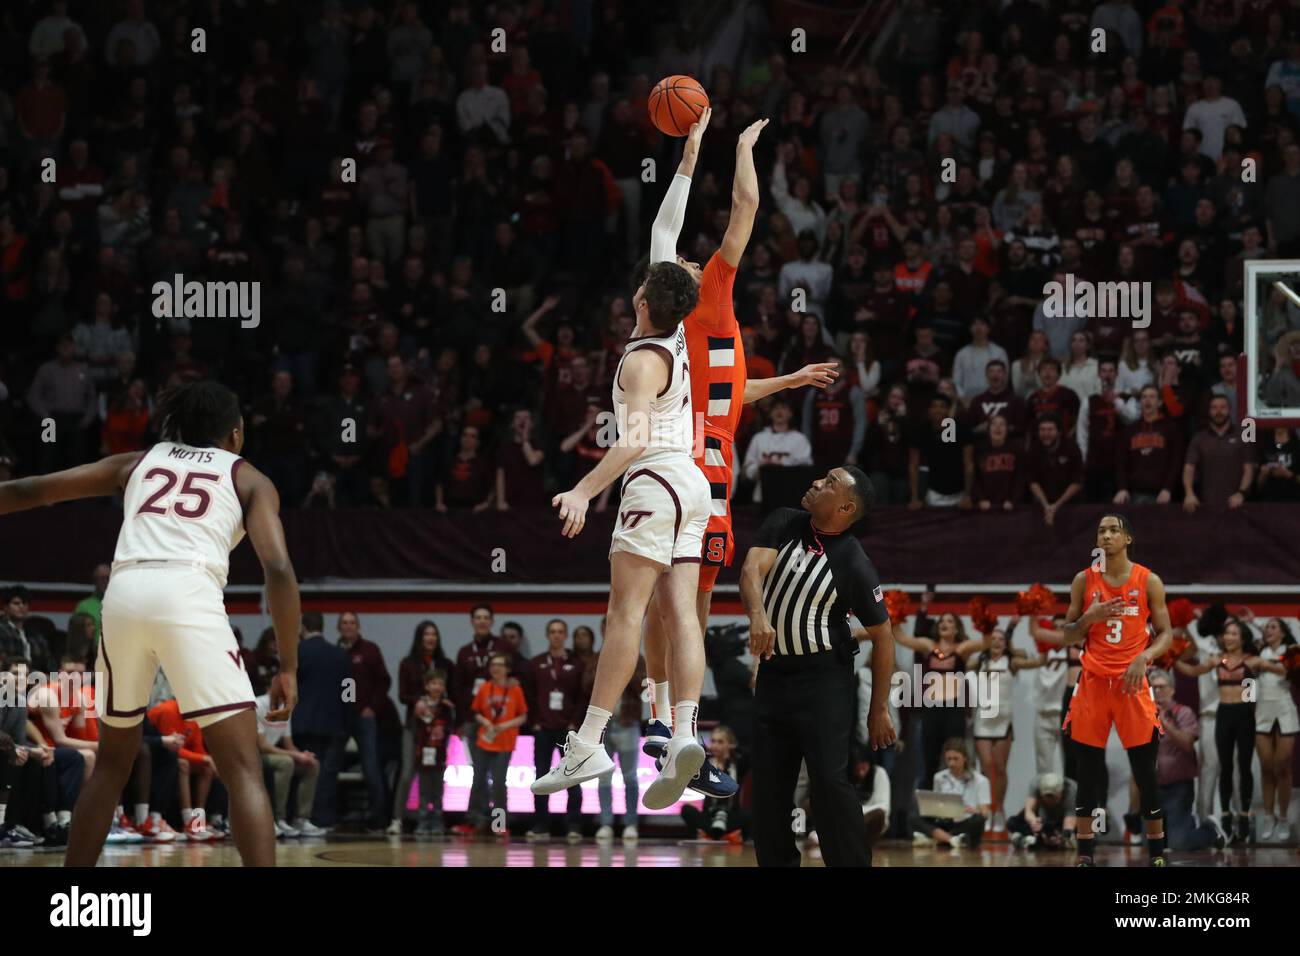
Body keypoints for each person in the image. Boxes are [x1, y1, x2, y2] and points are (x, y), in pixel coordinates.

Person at [0, 381, 302, 867]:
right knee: (243, 767)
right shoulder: (248, 477)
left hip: (123, 595)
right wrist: (288, 664)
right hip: (188, 590)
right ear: (236, 435)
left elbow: (36, 489)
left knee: (112, 763)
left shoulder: (138, 461)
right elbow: (281, 570)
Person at [531, 230, 711, 807]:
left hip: (654, 481)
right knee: (682, 613)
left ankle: (588, 742)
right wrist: (688, 156)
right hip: (693, 483)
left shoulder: (639, 361)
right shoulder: (679, 334)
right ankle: (684, 731)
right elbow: (666, 243)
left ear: (641, 302)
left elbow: (631, 441)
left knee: (625, 614)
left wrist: (584, 490)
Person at [738, 465, 897, 867]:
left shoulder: (855, 563)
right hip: (774, 677)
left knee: (828, 782)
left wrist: (879, 709)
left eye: (828, 484)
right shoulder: (784, 520)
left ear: (845, 507)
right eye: (822, 477)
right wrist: (757, 615)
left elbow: (883, 636)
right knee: (769, 789)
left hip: (824, 681)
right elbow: (751, 569)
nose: (815, 483)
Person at [1058, 513, 1175, 866]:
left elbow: (1167, 634)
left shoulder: (1148, 580)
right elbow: (1067, 634)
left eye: (1113, 530)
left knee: (1145, 773)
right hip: (1093, 684)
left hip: (1132, 684)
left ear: (1127, 539)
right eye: (1101, 531)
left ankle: (1157, 853)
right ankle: (1084, 853)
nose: (1106, 535)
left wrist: (1146, 655)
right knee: (1087, 774)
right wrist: (1088, 619)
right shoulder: (1083, 580)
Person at [1176, 617, 1263, 844]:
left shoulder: (1253, 661)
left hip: (1244, 716)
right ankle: (1222, 818)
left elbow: (1258, 687)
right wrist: (1172, 660)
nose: (1229, 637)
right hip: (1221, 715)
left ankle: (1244, 817)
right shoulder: (1215, 658)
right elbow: (1194, 670)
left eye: (1234, 633)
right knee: (1221, 768)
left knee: (1243, 767)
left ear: (1242, 637)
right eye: (1227, 633)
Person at [892, 609, 990, 782]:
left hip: (954, 710)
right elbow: (900, 637)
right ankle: (929, 804)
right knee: (930, 760)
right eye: (942, 621)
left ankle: (957, 799)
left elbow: (986, 642)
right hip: (931, 709)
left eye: (950, 621)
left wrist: (985, 622)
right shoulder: (928, 645)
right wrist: (895, 614)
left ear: (957, 629)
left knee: (955, 756)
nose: (945, 623)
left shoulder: (962, 648)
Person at [1149, 669, 1226, 851]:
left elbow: (1187, 744)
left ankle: (1210, 830)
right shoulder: (1144, 715)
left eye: (1162, 687)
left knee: (1179, 844)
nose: (1158, 692)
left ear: (1172, 690)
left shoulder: (1184, 713)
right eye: (1154, 688)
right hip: (1153, 787)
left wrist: (1163, 722)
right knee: (1152, 844)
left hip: (1178, 786)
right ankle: (1173, 829)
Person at [970, 623, 1037, 829]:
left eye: (1001, 639)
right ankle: (986, 809)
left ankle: (999, 808)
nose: (997, 642)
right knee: (985, 769)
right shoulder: (978, 662)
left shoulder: (1011, 662)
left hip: (1003, 722)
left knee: (1000, 768)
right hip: (983, 720)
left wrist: (1011, 642)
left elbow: (1029, 659)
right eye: (994, 639)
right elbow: (963, 662)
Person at [525, 619, 584, 843]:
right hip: (543, 729)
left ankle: (574, 825)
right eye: (552, 632)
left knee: (572, 776)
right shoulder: (536, 663)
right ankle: (540, 824)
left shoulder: (576, 663)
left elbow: (582, 696)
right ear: (548, 635)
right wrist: (534, 722)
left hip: (568, 729)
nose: (556, 635)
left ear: (565, 635)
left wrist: (574, 722)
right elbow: (528, 694)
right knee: (541, 776)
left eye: (560, 631)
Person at [291, 611, 350, 832]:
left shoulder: (298, 651)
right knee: (328, 773)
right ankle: (324, 818)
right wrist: (347, 716)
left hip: (304, 722)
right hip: (334, 723)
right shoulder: (340, 654)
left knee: (306, 772)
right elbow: (349, 689)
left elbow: (291, 687)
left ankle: (302, 818)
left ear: (304, 627)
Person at [390, 620, 451, 834]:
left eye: (434, 634)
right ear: (419, 637)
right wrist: (418, 701)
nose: (430, 638)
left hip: (439, 730)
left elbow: (451, 694)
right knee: (408, 773)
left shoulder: (445, 663)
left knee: (435, 775)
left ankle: (434, 819)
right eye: (426, 634)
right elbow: (402, 694)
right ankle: (397, 818)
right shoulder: (408, 663)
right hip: (414, 727)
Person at [336, 611, 391, 831]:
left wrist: (372, 707)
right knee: (331, 766)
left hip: (363, 716)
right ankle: (330, 817)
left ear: (358, 626)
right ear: (339, 627)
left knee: (371, 766)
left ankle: (379, 819)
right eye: (344, 623)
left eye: (352, 623)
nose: (348, 626)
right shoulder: (334, 651)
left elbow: (384, 681)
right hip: (339, 717)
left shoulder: (370, 650)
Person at [470, 653, 527, 835]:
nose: (496, 668)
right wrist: (485, 722)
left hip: (504, 742)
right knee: (478, 781)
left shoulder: (515, 689)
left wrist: (504, 725)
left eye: (500, 664)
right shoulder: (485, 688)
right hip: (484, 740)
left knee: (499, 784)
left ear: (508, 668)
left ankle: (499, 824)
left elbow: (523, 716)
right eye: (493, 664)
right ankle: (474, 821)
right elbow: (476, 711)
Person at [1253, 616, 1298, 842]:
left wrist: (1264, 664)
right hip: (1261, 711)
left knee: (1283, 765)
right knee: (1266, 766)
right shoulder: (1256, 651)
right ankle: (1269, 816)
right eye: (1266, 627)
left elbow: (1288, 670)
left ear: (1282, 632)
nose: (1268, 630)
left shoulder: (1291, 649)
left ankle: (1283, 817)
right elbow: (1247, 680)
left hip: (1284, 709)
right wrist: (1246, 702)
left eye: (1273, 627)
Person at [147, 697, 217, 841]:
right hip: (155, 753)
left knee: (207, 769)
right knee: (183, 763)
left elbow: (199, 749)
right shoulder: (168, 710)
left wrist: (207, 761)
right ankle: (187, 820)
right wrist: (204, 759)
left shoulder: (195, 714)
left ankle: (197, 820)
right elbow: (171, 748)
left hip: (175, 755)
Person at [255, 693, 322, 838]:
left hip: (273, 753)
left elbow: (288, 744)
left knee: (312, 765)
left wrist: (303, 755)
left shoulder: (286, 709)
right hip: (255, 755)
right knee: (286, 762)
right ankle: (279, 818)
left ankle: (301, 819)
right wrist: (294, 755)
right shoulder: (259, 705)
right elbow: (262, 746)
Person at [910, 739, 992, 848]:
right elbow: (937, 803)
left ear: (965, 759)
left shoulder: (980, 780)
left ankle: (937, 838)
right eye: (949, 759)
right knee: (914, 816)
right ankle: (951, 839)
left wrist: (971, 810)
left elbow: (985, 812)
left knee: (978, 820)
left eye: (955, 759)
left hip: (965, 821)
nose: (952, 763)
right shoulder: (939, 777)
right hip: (946, 820)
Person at [680, 725, 748, 843]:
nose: (715, 745)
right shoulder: (705, 764)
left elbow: (750, 752)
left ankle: (711, 835)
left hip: (730, 816)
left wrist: (730, 753)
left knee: (750, 814)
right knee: (686, 809)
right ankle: (719, 835)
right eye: (713, 741)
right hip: (709, 816)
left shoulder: (738, 764)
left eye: (720, 742)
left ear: (730, 744)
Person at [411, 669, 455, 837]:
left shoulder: (446, 707)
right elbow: (415, 728)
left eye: (441, 684)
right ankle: (422, 821)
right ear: (427, 686)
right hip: (423, 753)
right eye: (434, 683)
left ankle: (437, 821)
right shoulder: (420, 705)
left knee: (438, 790)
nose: (437, 687)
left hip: (440, 753)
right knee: (424, 790)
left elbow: (450, 727)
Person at [1008, 772, 1077, 850]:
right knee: (1012, 822)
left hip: (1061, 822)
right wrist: (1034, 823)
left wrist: (1063, 837)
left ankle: (1031, 840)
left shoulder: (1071, 789)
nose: (1049, 801)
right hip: (1043, 821)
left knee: (1085, 831)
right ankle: (1035, 839)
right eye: (1046, 796)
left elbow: (1070, 820)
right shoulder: (1036, 784)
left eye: (1053, 797)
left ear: (1061, 793)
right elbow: (1029, 810)